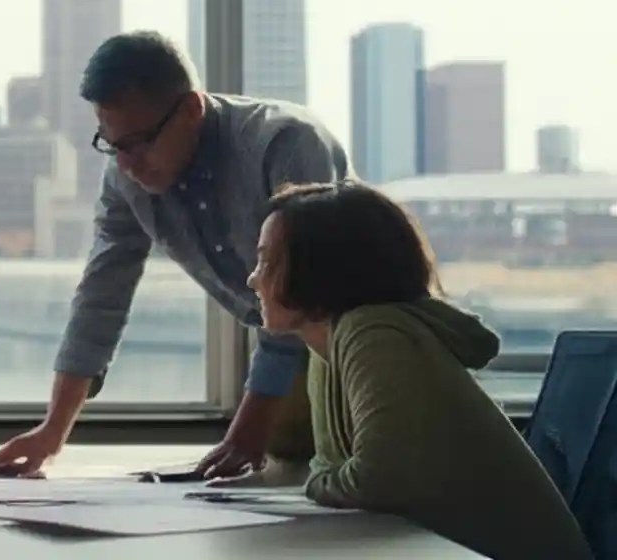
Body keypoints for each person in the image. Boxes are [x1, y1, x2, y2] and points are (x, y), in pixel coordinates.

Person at [0, 31, 349, 479]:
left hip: (365, 337)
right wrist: (53, 431)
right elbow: (101, 294)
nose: (127, 164)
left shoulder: (284, 144)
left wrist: (245, 432)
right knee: (283, 474)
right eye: (111, 144)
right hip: (289, 351)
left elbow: (297, 292)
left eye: (138, 141)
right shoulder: (125, 177)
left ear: (191, 109)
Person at [248, 181, 590, 559]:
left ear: (319, 267)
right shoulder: (326, 347)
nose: (253, 279)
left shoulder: (374, 334)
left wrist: (316, 484)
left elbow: (380, 482)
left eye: (267, 261)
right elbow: (339, 474)